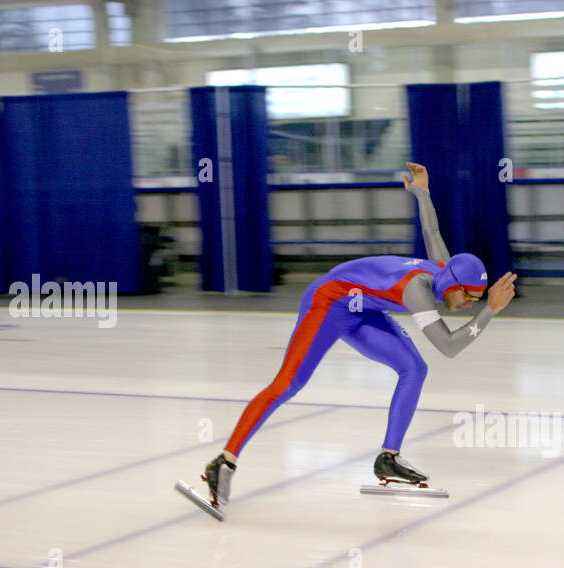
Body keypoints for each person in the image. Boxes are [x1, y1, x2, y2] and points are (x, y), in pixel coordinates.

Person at [196, 162, 516, 512]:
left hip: (362, 308)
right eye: (468, 298)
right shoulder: (417, 292)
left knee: (413, 368)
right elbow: (449, 346)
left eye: (474, 301)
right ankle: (223, 461)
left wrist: (421, 191)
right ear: (453, 285)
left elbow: (431, 230)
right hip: (329, 301)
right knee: (288, 383)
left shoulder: (443, 267)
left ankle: (388, 458)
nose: (468, 305)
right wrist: (491, 312)